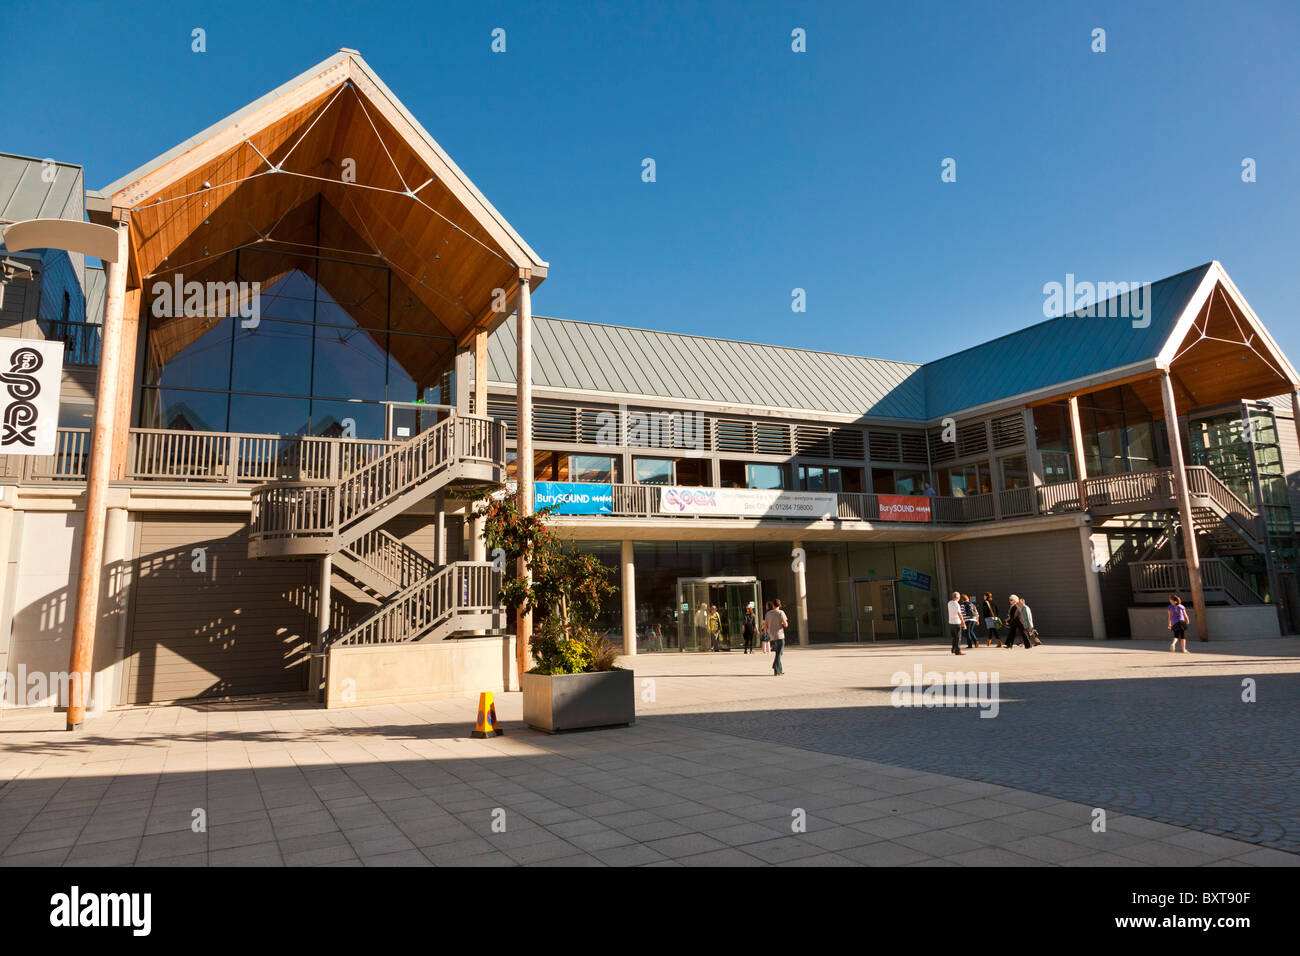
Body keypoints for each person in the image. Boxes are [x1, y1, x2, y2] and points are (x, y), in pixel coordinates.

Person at [765, 599, 789, 675]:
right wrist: (783, 623)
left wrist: (766, 633)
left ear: (773, 605)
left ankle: (778, 671)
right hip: (780, 635)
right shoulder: (781, 612)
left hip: (772, 636)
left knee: (778, 652)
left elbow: (765, 625)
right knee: (779, 653)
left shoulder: (768, 614)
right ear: (779, 605)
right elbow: (785, 624)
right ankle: (775, 665)